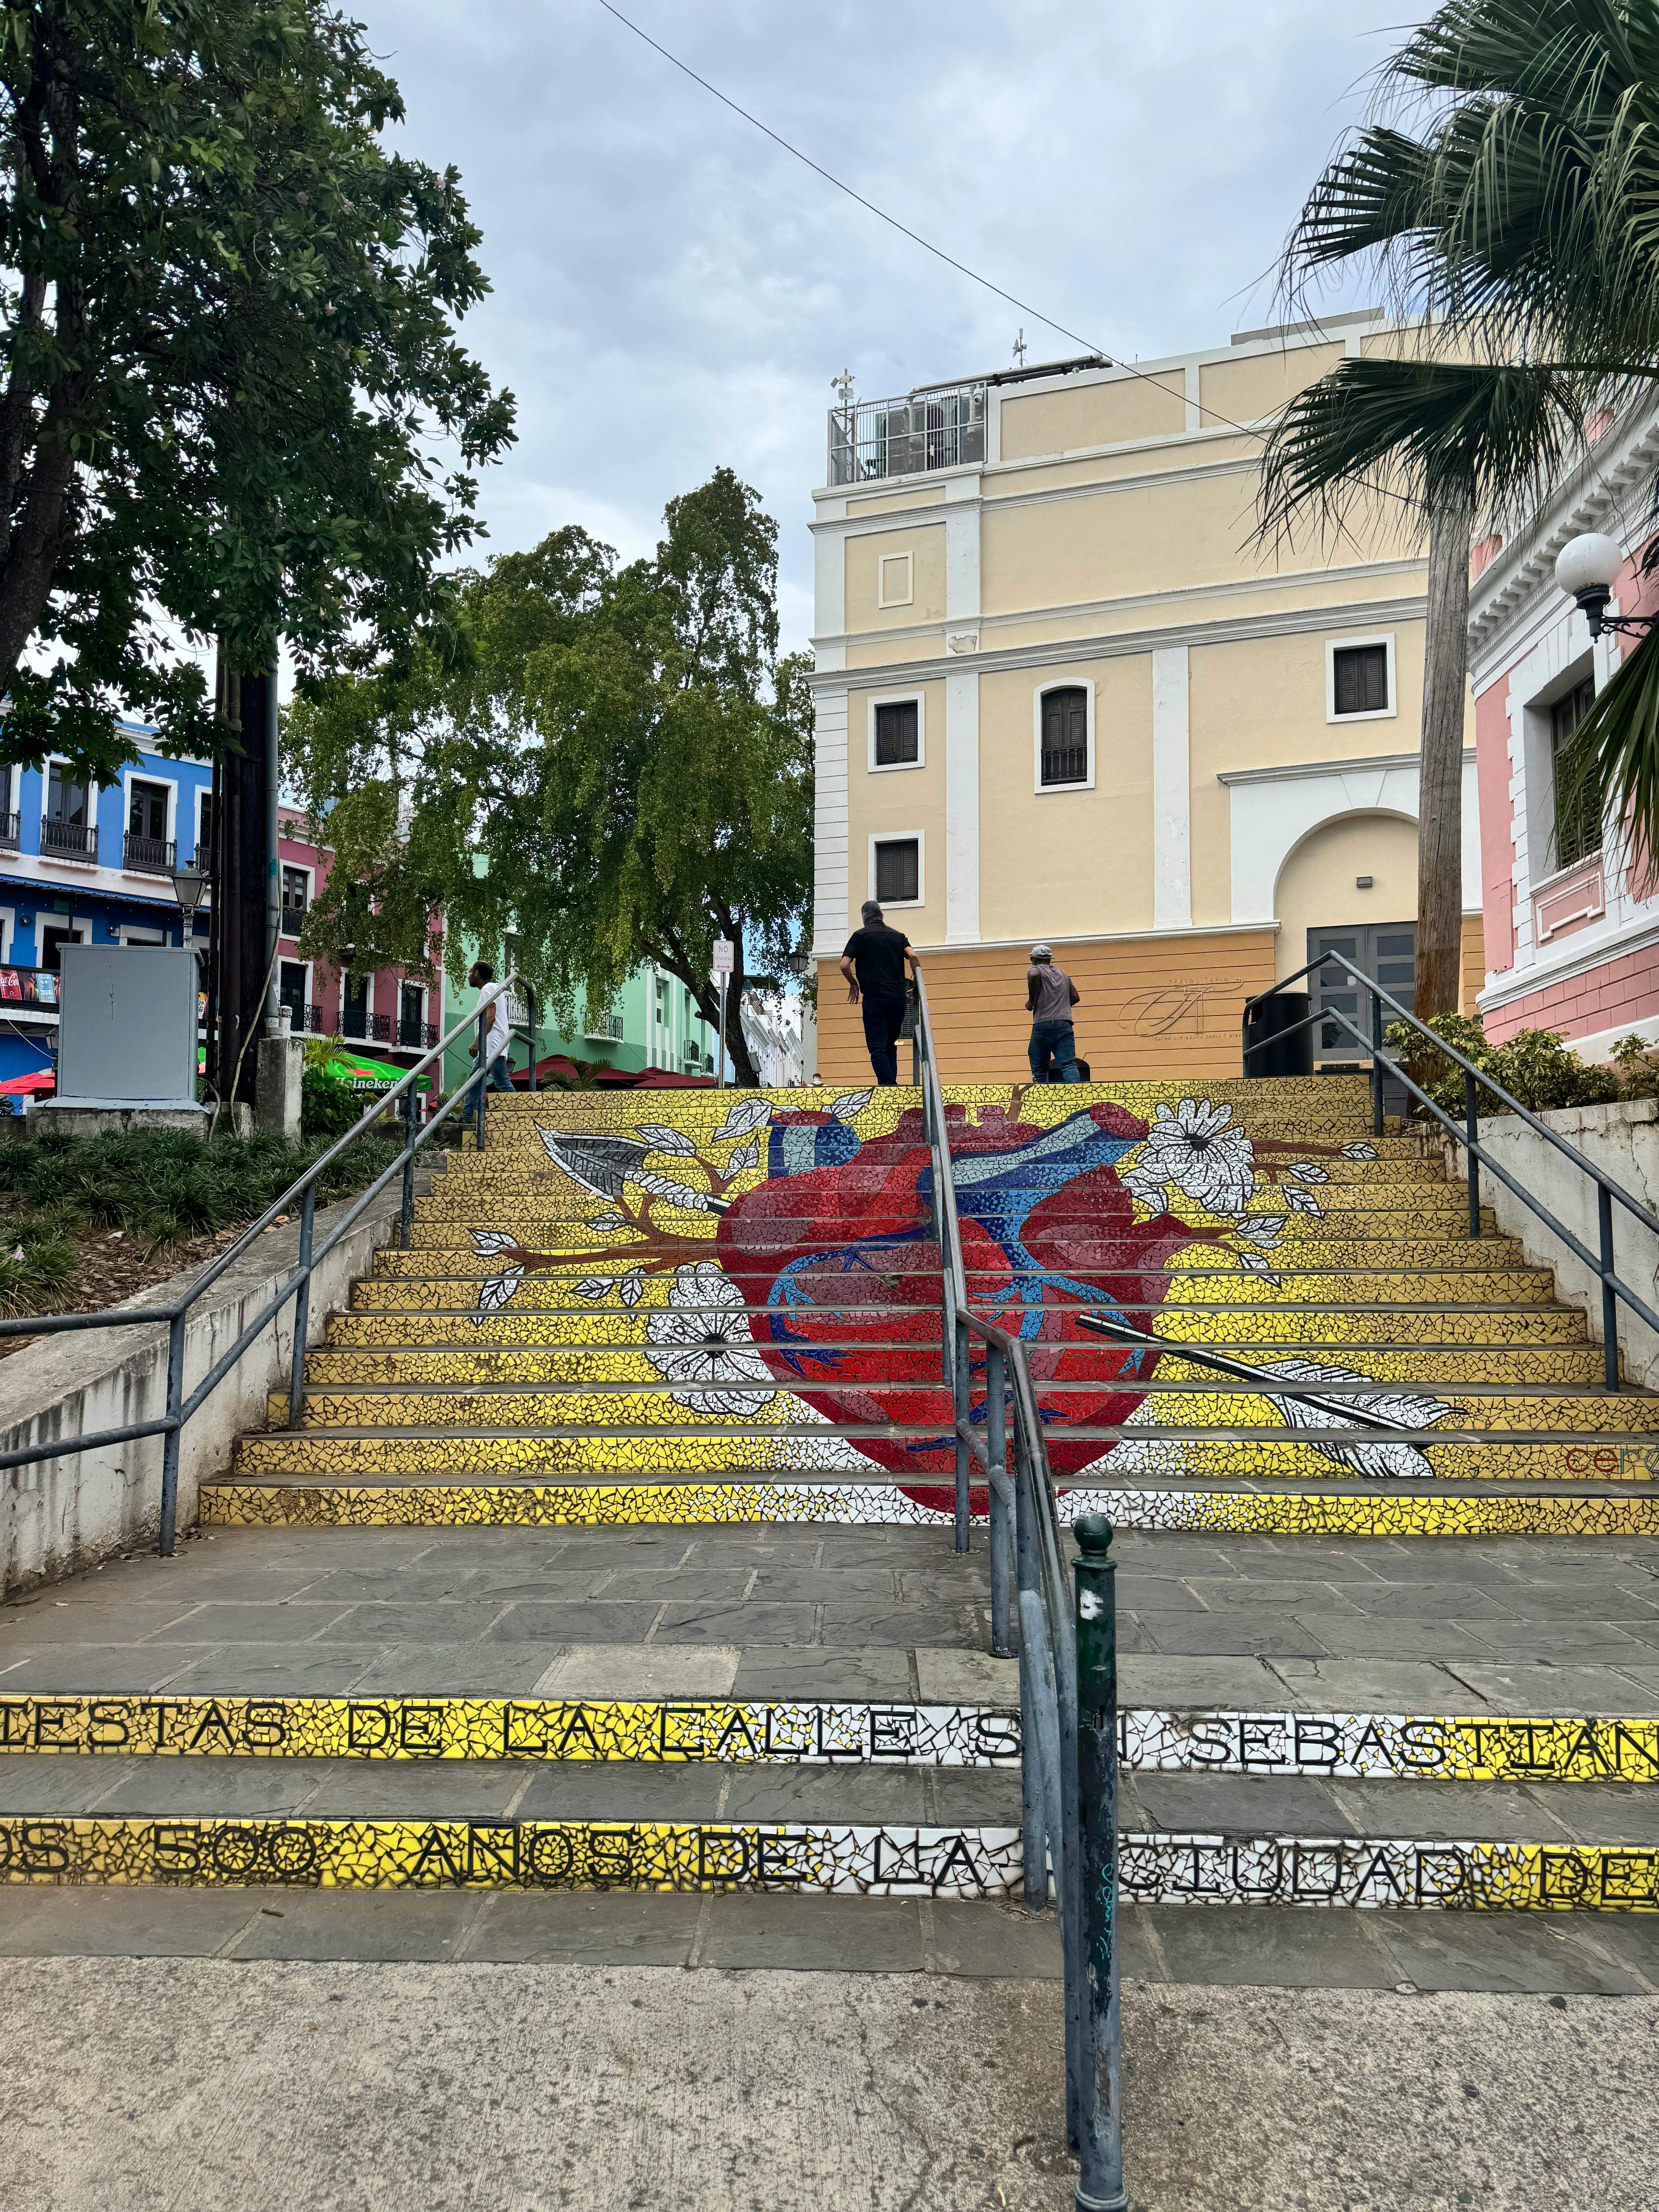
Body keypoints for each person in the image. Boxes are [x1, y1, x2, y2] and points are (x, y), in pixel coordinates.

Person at [840, 900, 921, 1085]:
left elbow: (844, 964)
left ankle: (888, 1086)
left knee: (877, 1048)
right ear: (882, 916)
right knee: (891, 1045)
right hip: (897, 1000)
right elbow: (914, 956)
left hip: (874, 999)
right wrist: (916, 985)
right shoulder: (898, 936)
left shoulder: (859, 936)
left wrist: (854, 984)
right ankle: (891, 1085)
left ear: (864, 918)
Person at [461, 959, 514, 1129]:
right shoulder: (495, 989)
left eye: (471, 973)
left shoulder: (488, 989)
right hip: (496, 1042)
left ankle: (523, 1111)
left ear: (477, 974)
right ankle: (467, 1116)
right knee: (477, 1081)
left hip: (492, 1043)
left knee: (498, 1081)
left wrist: (478, 1042)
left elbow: (490, 1016)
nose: (470, 976)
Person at [1025, 944, 1082, 1083]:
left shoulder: (1035, 969)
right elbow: (1075, 998)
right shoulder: (1063, 974)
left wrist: (1031, 1001)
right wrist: (1061, 1008)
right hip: (1064, 1024)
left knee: (1039, 1066)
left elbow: (1034, 974)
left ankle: (1041, 1097)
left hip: (1043, 1024)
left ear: (1034, 959)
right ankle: (1078, 1098)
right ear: (1050, 959)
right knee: (1069, 1064)